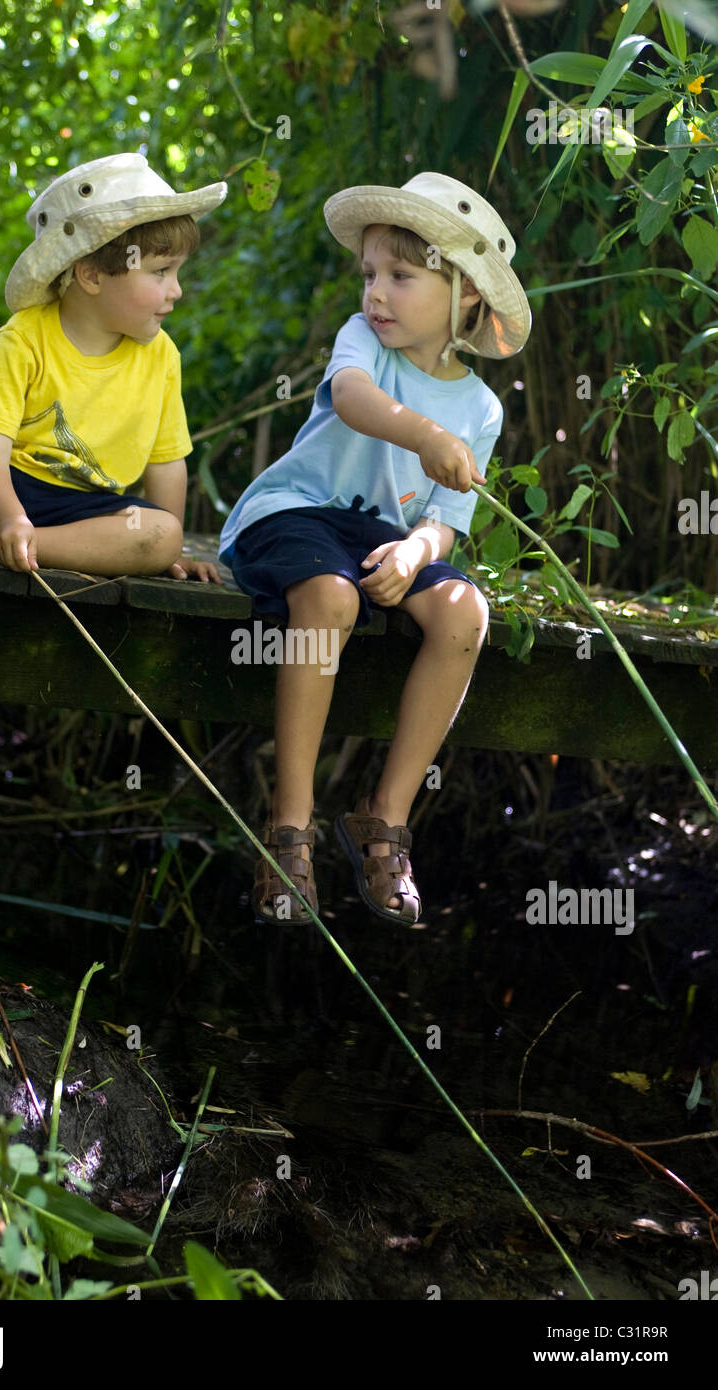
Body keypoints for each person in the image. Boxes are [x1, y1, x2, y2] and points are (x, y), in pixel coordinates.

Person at [218, 172, 531, 926]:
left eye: (401, 276)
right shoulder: (364, 344)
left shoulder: (481, 408)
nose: (376, 294)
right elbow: (356, 403)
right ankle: (290, 829)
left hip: (383, 540)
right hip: (297, 512)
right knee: (331, 597)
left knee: (464, 614)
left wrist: (417, 554)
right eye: (369, 275)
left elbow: (443, 521)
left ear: (464, 295)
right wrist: (425, 435)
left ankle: (383, 820)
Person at [0, 151, 225, 582]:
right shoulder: (25, 337)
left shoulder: (161, 356)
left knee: (161, 534)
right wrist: (11, 514)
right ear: (91, 275)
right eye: (161, 272)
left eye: (177, 272)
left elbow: (166, 464)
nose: (176, 290)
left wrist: (171, 553)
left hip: (78, 505)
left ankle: (5, 543)